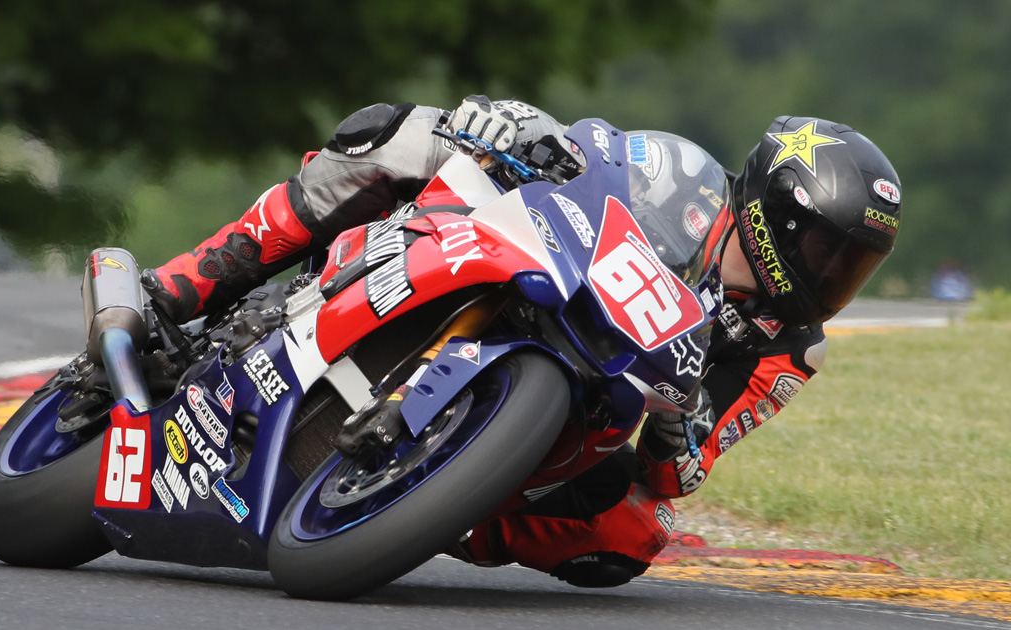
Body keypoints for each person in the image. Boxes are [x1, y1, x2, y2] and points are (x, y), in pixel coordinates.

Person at [141, 96, 903, 588]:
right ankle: (194, 281)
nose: (834, 278)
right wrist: (519, 126)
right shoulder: (684, 173)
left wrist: (679, 421)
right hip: (531, 257)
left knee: (635, 531)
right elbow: (591, 146)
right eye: (828, 253)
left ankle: (441, 507)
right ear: (779, 214)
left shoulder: (792, 348)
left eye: (853, 268)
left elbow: (682, 474)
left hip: (599, 381)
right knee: (401, 134)